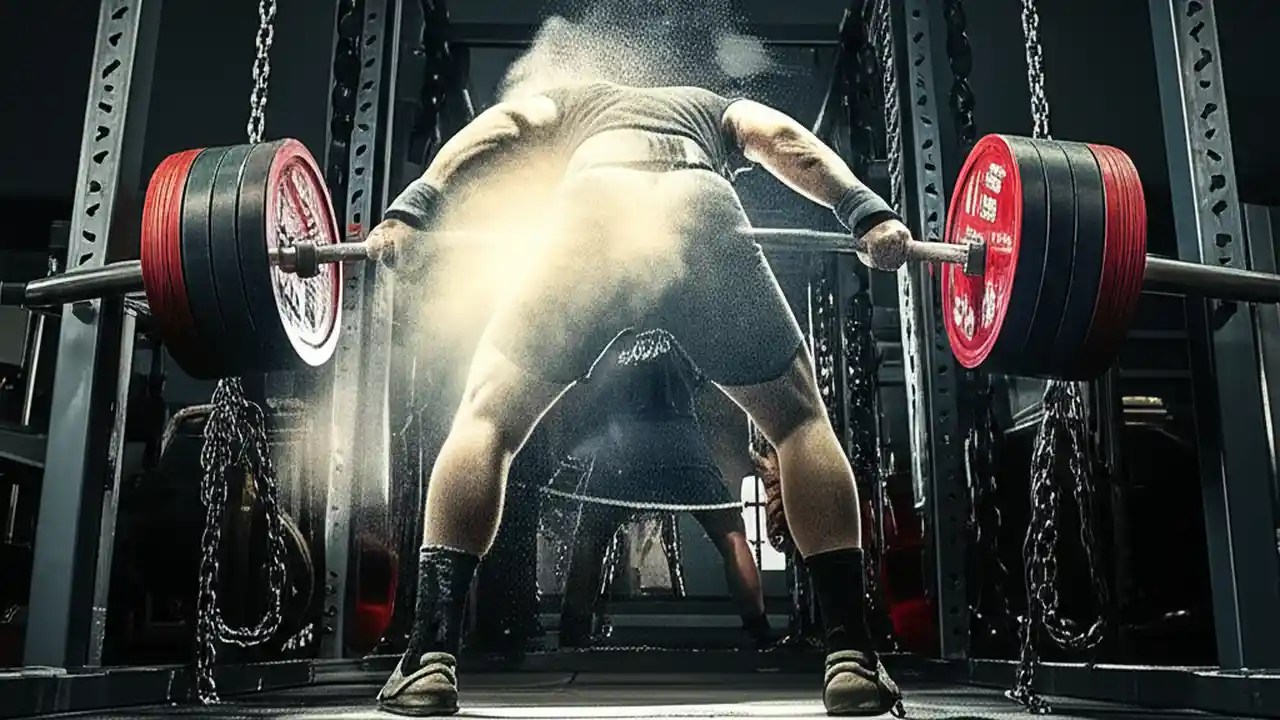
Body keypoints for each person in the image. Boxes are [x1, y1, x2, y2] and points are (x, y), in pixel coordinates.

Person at [369, 81, 910, 717]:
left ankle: (428, 659)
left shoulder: (577, 101)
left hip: (596, 206)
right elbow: (782, 140)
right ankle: (852, 658)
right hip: (699, 204)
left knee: (488, 419)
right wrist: (867, 211)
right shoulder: (707, 105)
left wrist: (413, 206)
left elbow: (503, 125)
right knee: (796, 422)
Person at [550, 329, 773, 651]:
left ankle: (572, 635)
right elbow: (708, 385)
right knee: (731, 535)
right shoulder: (682, 322)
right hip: (681, 442)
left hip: (623, 447)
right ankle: (759, 629)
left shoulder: (609, 327)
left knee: (590, 539)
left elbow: (585, 392)